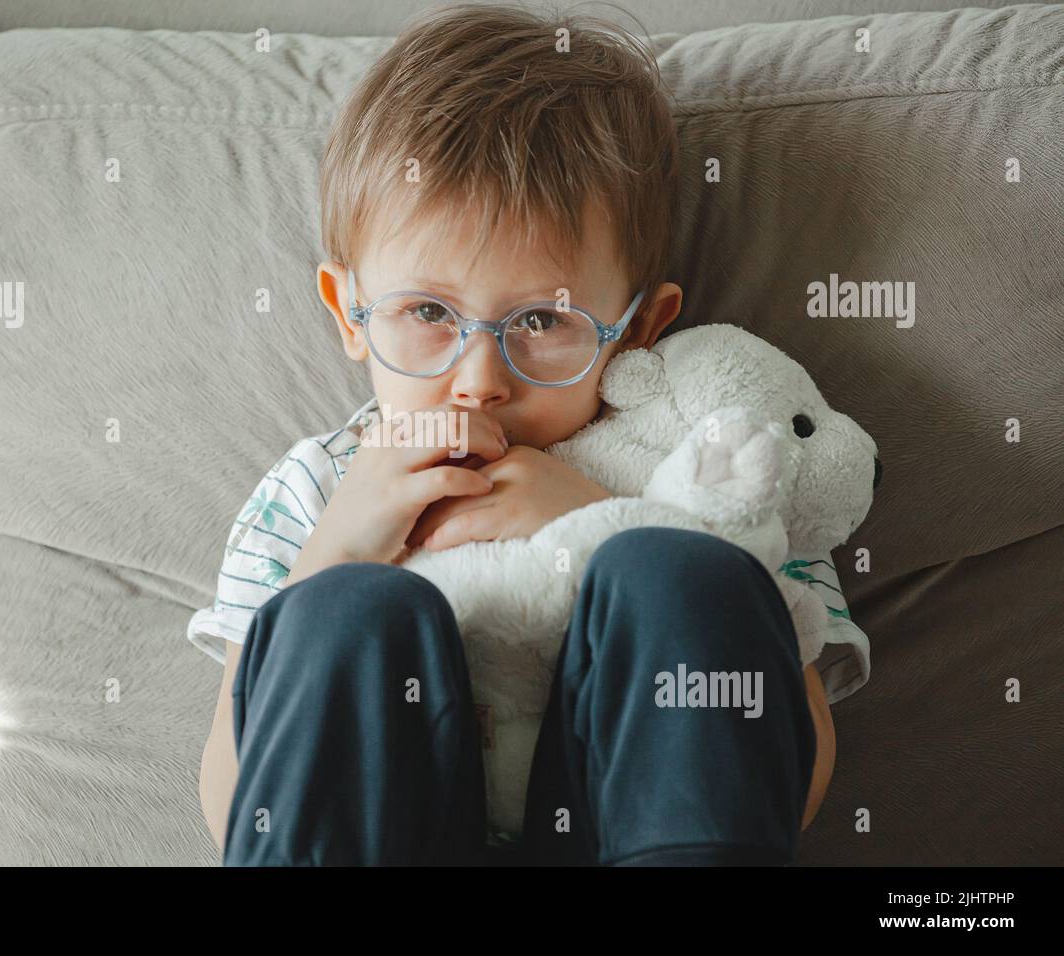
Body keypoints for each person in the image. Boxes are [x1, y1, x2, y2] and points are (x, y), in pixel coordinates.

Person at [191, 2, 839, 866]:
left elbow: (800, 769)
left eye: (541, 320)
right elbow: (233, 799)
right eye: (427, 312)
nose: (480, 380)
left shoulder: (716, 462)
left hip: (632, 836)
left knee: (682, 571)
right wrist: (335, 555)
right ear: (348, 313)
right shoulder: (315, 490)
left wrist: (617, 518)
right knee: (345, 611)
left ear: (641, 328)